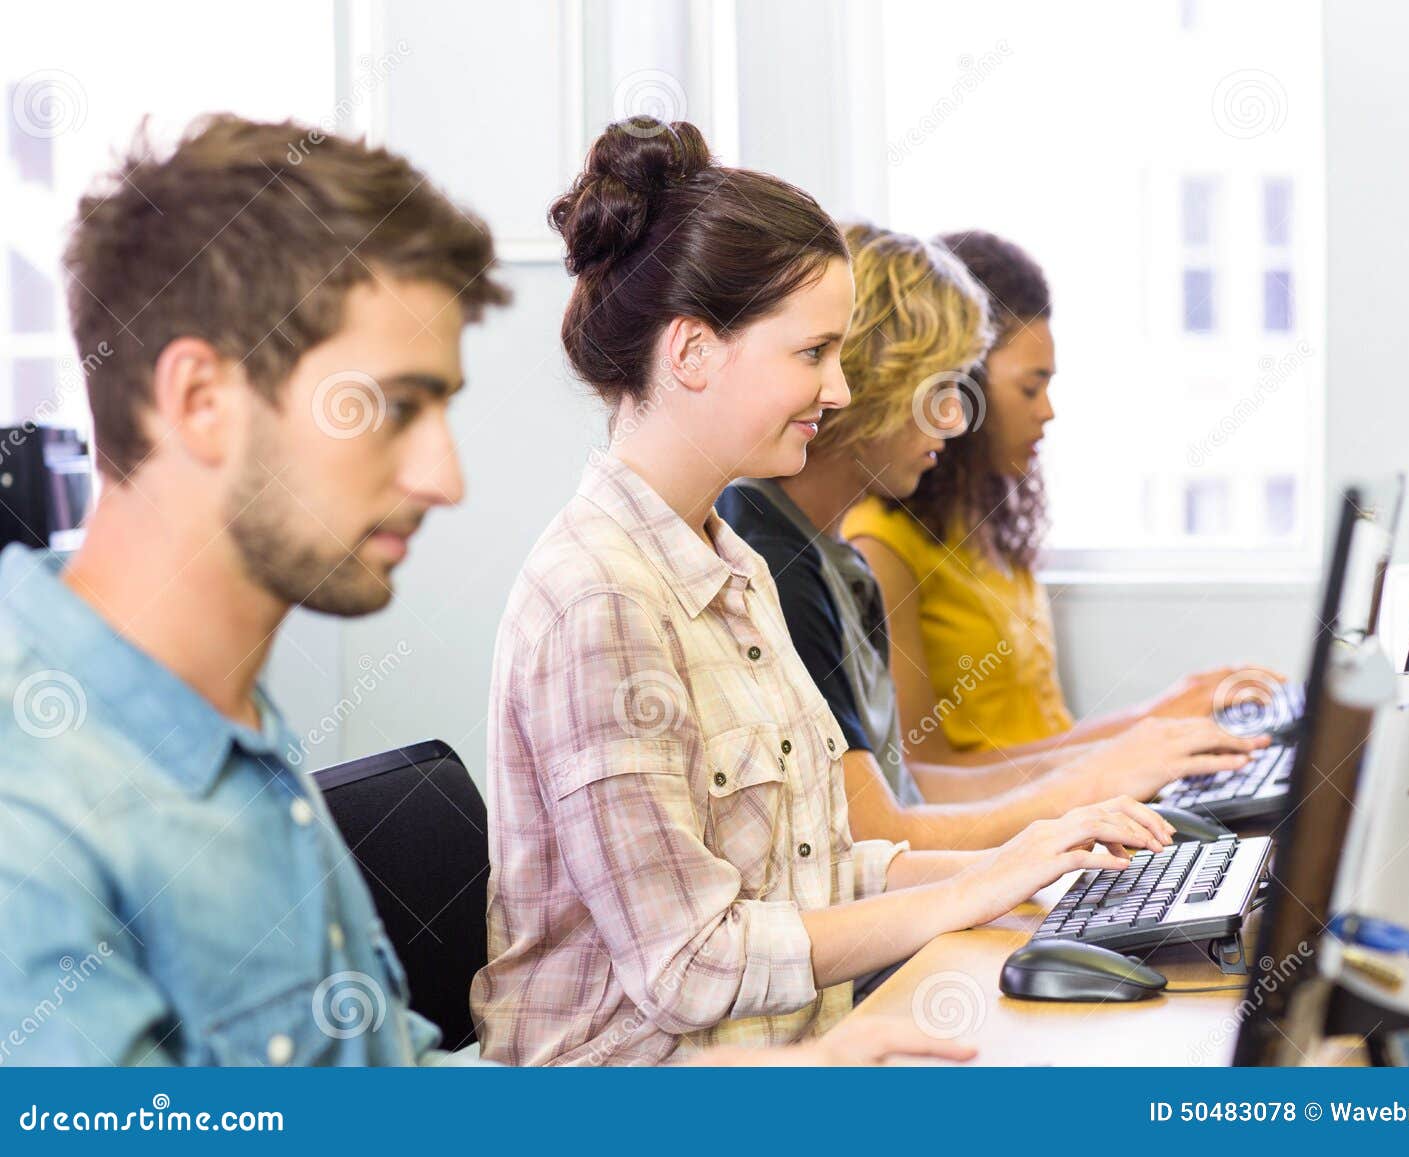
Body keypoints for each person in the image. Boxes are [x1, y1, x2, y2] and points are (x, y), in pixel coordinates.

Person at [0, 115, 958, 1070]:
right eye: (390, 406)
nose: (445, 478)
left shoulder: (226, 739)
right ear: (200, 402)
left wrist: (796, 1070)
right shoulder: (35, 808)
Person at [471, 119, 1175, 1066]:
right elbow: (689, 961)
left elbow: (821, 868)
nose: (839, 390)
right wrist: (969, 890)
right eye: (813, 354)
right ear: (692, 352)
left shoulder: (732, 566)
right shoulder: (598, 600)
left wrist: (1022, 864)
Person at [718, 225, 1264, 849]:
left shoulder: (833, 558)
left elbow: (907, 792)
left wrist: (1116, 766)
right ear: (871, 381)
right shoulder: (780, 564)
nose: (955, 421)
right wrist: (1092, 783)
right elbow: (878, 834)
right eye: (940, 388)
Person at [842, 229, 1280, 763]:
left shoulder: (985, 522)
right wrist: (1153, 724)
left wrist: (1164, 724)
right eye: (1030, 387)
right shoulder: (879, 545)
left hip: (1066, 798)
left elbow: (1043, 737)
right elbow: (924, 777)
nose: (1047, 411)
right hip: (1029, 808)